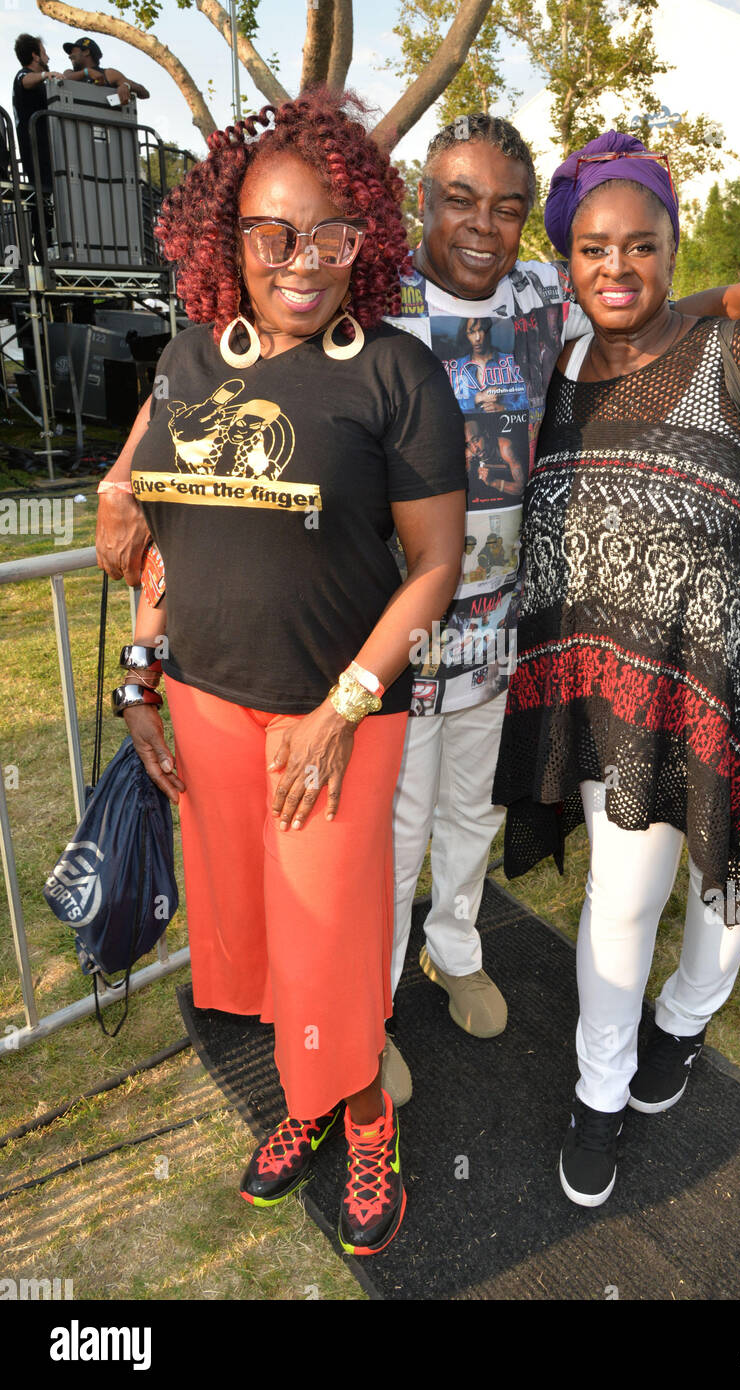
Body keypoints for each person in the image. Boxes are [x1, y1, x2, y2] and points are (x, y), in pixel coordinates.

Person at [96, 112, 740, 1108]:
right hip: (384, 641)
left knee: (466, 819)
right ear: (417, 204)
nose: (481, 224)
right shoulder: (363, 294)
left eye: (507, 207)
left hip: (493, 632)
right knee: (383, 841)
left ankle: (456, 948)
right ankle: (375, 1000)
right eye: (458, 198)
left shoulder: (537, 295)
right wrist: (118, 478)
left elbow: (648, 304)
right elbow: (221, 361)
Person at [490, 131, 740, 1208]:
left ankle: (685, 1018)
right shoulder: (551, 365)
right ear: (564, 259)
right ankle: (599, 1089)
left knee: (728, 873)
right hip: (612, 689)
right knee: (620, 898)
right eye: (590, 249)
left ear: (673, 248)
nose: (616, 269)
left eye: (642, 247)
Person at [111, 88, 464, 1256]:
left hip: (340, 720)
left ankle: (364, 1119)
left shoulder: (397, 373)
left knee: (327, 945)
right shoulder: (185, 360)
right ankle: (305, 1102)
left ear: (363, 234)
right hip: (206, 710)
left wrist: (342, 708)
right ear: (232, 241)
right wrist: (138, 680)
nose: (300, 261)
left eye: (327, 232)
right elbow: (165, 538)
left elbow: (435, 566)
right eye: (272, 234)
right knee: (259, 943)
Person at [12, 34, 62, 191]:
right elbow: (25, 80)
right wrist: (45, 75)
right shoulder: (23, 75)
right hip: (35, 152)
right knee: (44, 199)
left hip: (47, 151)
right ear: (35, 56)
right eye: (44, 53)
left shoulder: (40, 83)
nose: (48, 58)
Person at [63, 36, 149, 105]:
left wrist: (126, 86)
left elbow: (145, 93)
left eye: (73, 52)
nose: (70, 56)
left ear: (86, 52)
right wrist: (87, 72)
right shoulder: (69, 73)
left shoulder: (108, 74)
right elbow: (64, 80)